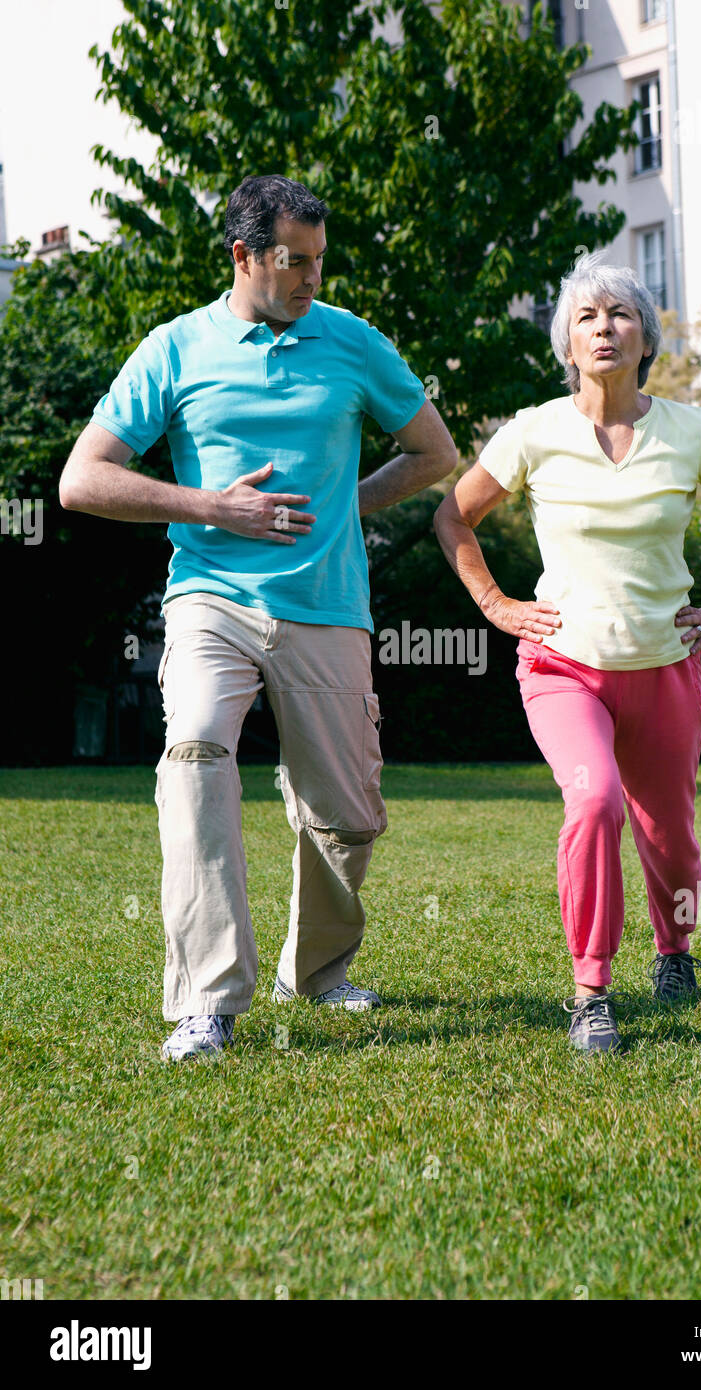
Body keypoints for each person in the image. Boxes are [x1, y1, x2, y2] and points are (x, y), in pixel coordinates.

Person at [59, 174, 457, 1060]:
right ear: (242, 256)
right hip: (212, 599)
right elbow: (82, 479)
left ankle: (313, 970)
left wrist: (345, 501)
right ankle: (207, 999)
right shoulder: (175, 349)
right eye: (294, 262)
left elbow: (434, 453)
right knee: (195, 748)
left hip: (328, 608)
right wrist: (210, 508)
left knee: (345, 813)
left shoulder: (352, 343)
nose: (313, 278)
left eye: (320, 261)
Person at [433, 251, 701, 1053]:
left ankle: (676, 951)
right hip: (564, 667)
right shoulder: (534, 431)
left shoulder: (690, 431)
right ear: (566, 343)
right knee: (593, 802)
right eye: (587, 317)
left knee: (670, 833)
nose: (604, 327)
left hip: (664, 664)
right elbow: (453, 519)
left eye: (620, 314)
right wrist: (495, 604)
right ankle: (591, 991)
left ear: (645, 338)